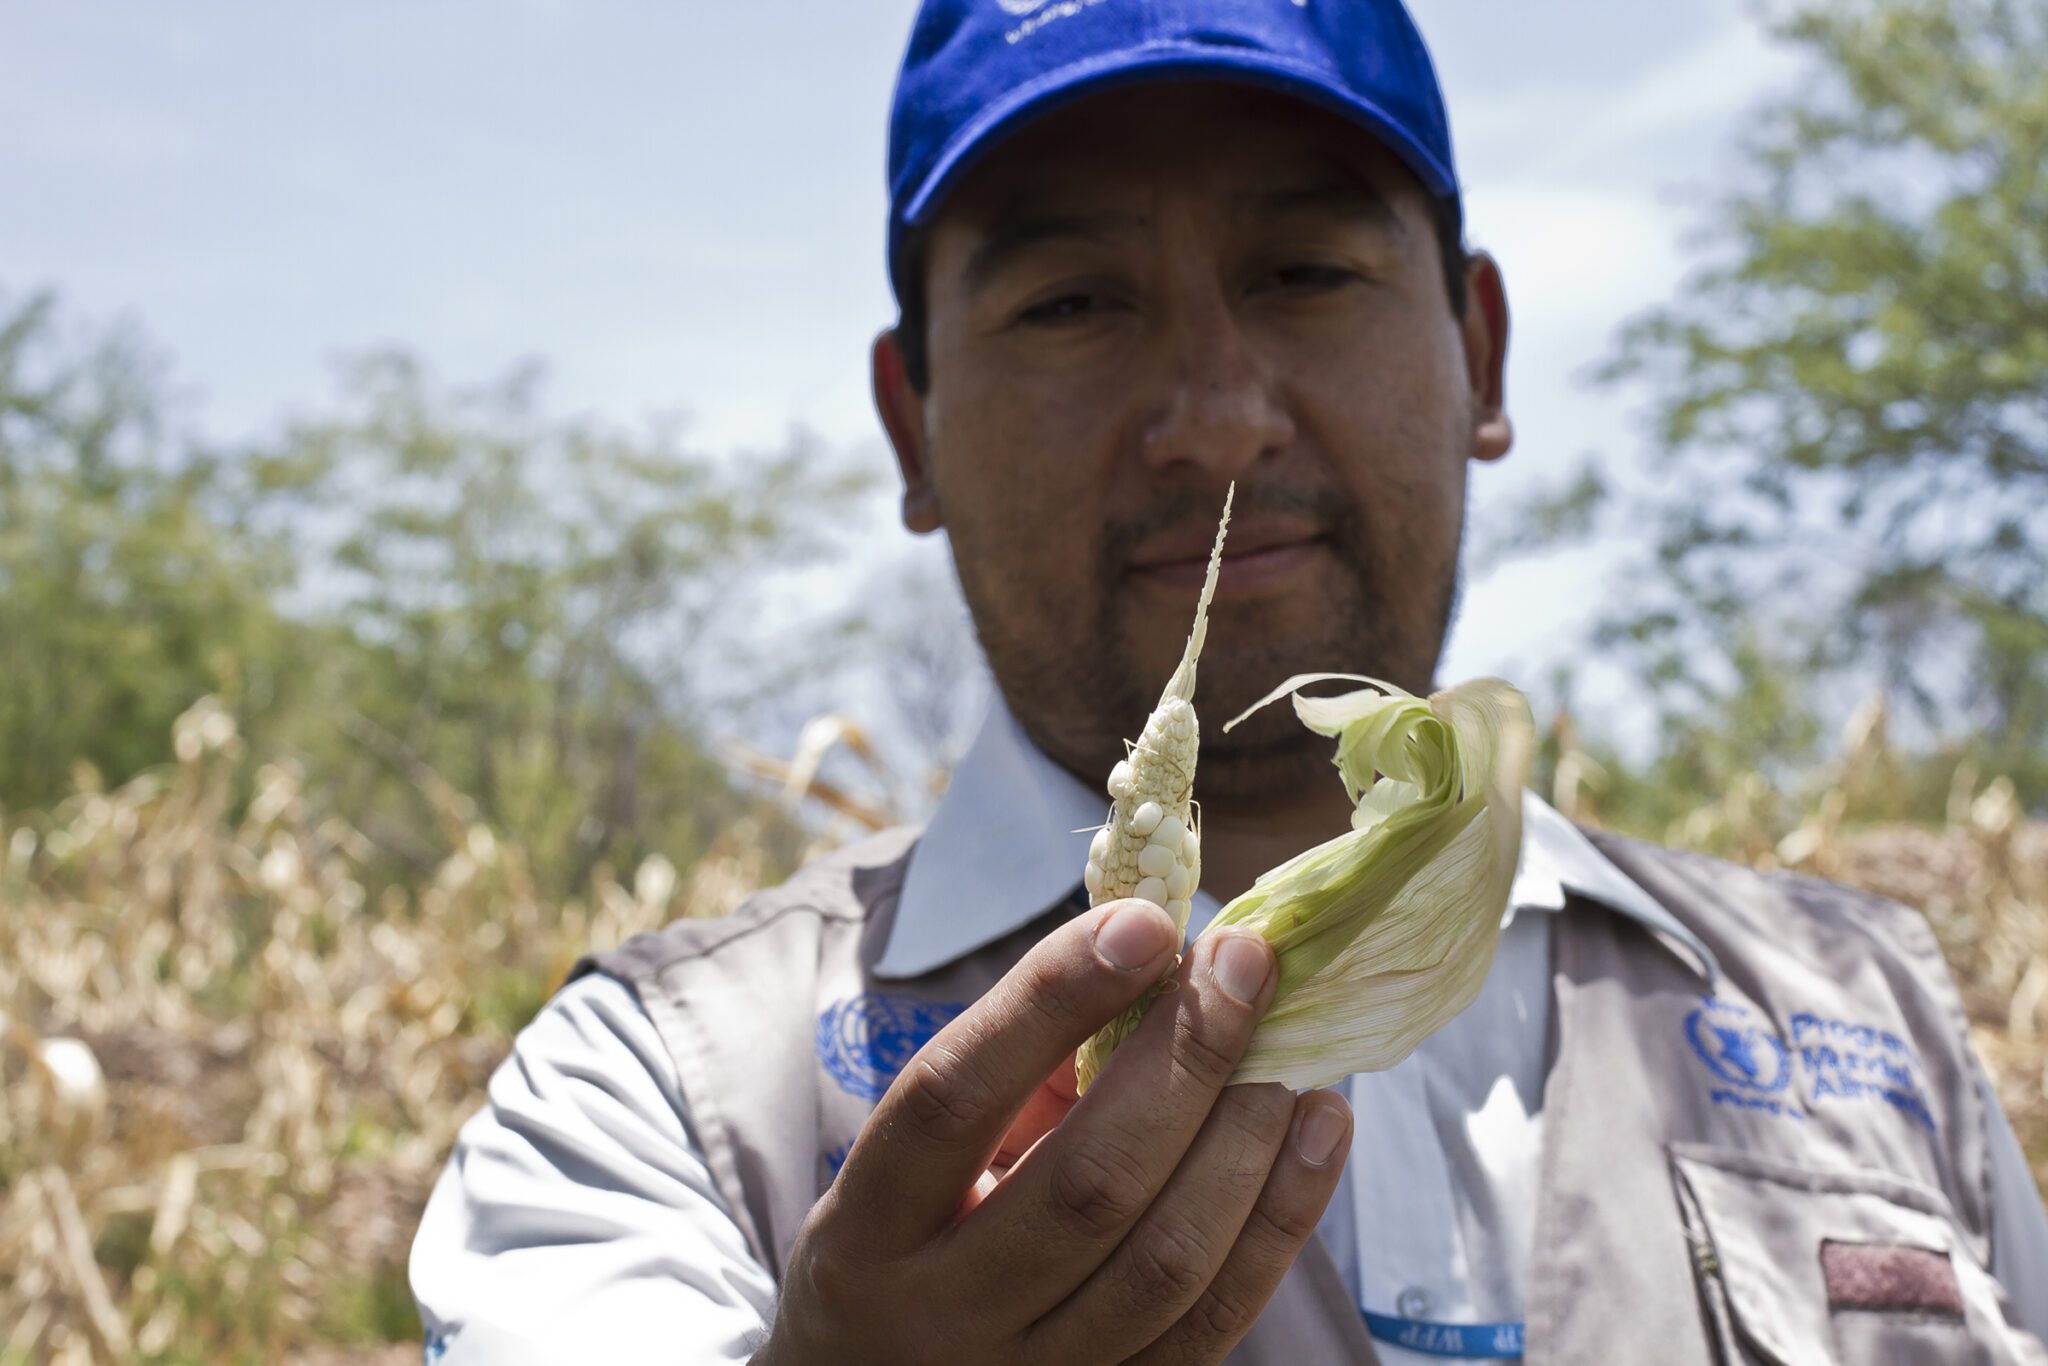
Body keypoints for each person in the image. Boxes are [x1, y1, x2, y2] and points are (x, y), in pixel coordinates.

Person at [409, 1, 2048, 1361]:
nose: (1214, 413)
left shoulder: (1870, 1019)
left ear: (1479, 354)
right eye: (1072, 303)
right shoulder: (659, 1096)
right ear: (912, 426)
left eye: (1304, 274)